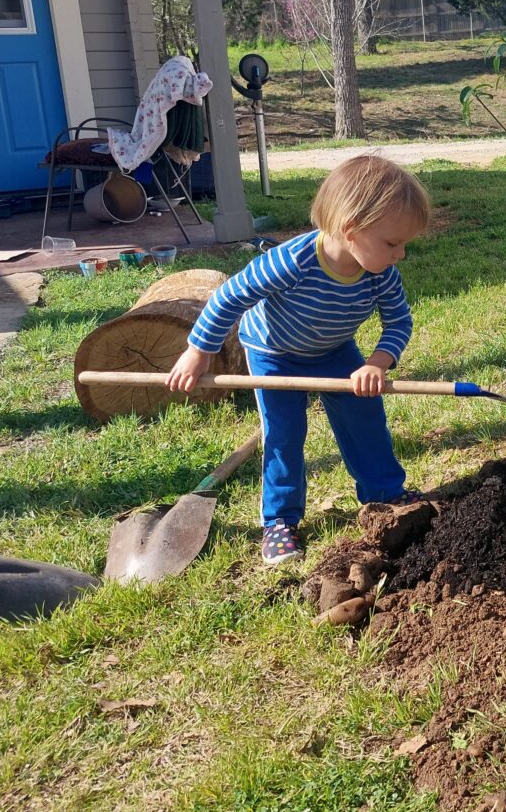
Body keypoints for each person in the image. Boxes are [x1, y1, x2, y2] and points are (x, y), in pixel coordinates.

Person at [167, 154, 431, 562]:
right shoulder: (292, 261)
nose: (401, 255)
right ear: (351, 230)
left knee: (365, 418)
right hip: (275, 353)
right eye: (392, 243)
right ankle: (280, 520)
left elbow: (399, 322)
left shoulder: (380, 273)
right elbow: (229, 297)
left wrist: (376, 363)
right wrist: (198, 352)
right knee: (284, 432)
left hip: (334, 350)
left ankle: (385, 494)